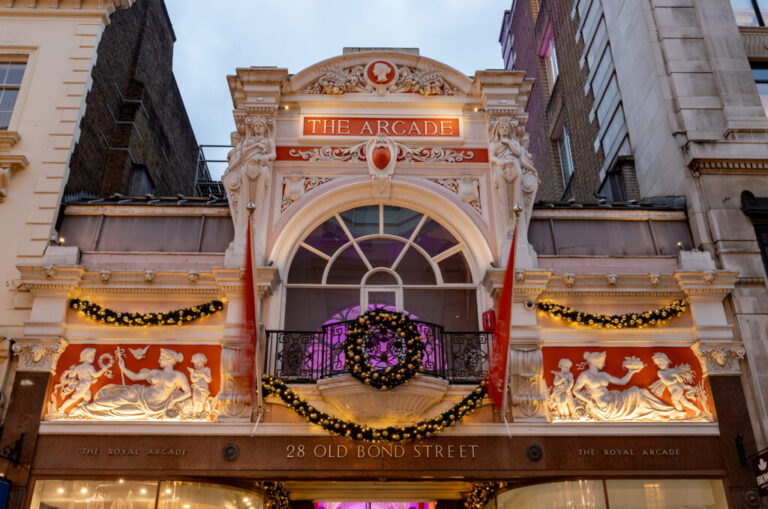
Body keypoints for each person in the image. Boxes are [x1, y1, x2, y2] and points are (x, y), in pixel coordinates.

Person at [70, 348, 191, 420]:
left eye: (161, 358)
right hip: (139, 393)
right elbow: (134, 377)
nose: (159, 361)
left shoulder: (178, 376)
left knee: (120, 412)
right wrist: (123, 368)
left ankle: (88, 410)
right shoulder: (155, 372)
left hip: (152, 407)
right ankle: (84, 409)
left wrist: (173, 401)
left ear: (169, 360)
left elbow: (188, 392)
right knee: (114, 401)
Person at [572, 351, 686, 421]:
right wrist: (589, 401)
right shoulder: (585, 375)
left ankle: (667, 412)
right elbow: (575, 390)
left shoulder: (603, 375)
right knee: (636, 391)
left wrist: (632, 372)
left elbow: (622, 382)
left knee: (642, 392)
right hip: (605, 406)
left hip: (614, 398)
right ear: (594, 362)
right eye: (601, 361)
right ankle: (666, 412)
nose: (604, 363)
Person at [56, 348, 109, 414]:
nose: (93, 358)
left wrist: (71, 370)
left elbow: (71, 375)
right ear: (86, 357)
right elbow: (96, 375)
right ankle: (62, 408)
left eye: (93, 356)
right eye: (91, 356)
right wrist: (103, 369)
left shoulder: (78, 367)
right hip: (85, 385)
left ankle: (81, 407)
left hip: (82, 384)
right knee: (74, 398)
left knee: (87, 398)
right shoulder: (89, 367)